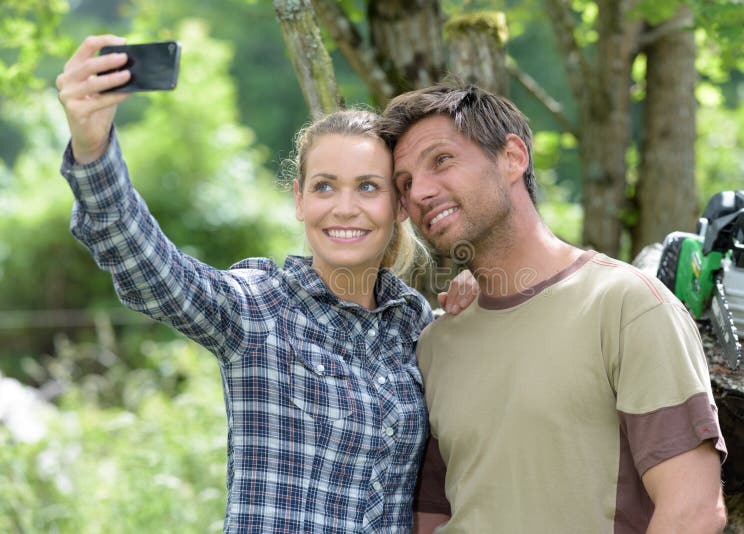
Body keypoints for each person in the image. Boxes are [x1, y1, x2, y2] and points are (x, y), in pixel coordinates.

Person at [56, 35, 474, 533]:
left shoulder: (415, 327)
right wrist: (91, 144)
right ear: (300, 200)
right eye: (324, 186)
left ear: (398, 206)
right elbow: (147, 264)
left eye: (368, 187)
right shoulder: (257, 308)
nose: (344, 207)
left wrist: (474, 319)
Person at [380, 82, 728, 533]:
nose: (421, 191)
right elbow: (432, 517)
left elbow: (693, 512)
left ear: (512, 157)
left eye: (441, 160)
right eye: (405, 183)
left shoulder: (627, 306)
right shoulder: (435, 343)